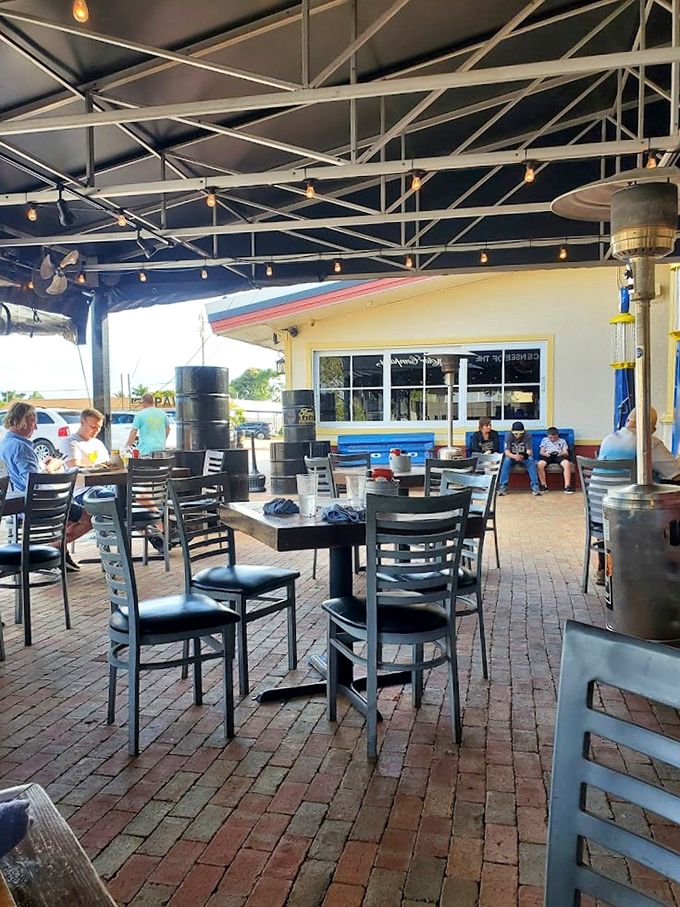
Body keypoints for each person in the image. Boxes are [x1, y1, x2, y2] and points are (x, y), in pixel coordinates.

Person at [0, 401, 89, 571]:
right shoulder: (20, 447)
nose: (35, 428)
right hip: (39, 505)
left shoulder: (5, 443)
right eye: (33, 423)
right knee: (88, 516)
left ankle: (60, 553)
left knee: (72, 516)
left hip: (18, 504)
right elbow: (34, 482)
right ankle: (53, 549)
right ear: (23, 422)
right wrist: (52, 467)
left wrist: (43, 464)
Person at [599, 406, 680, 481]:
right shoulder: (649, 443)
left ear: (627, 421)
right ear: (653, 430)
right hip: (630, 496)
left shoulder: (608, 439)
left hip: (597, 494)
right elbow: (676, 474)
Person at [498, 420, 541, 496]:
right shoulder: (508, 435)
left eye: (521, 433)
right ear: (512, 431)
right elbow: (507, 452)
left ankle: (535, 486)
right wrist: (515, 456)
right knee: (506, 460)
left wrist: (523, 456)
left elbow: (529, 451)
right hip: (512, 456)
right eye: (516, 433)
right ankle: (502, 486)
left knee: (531, 460)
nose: (518, 435)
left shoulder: (527, 435)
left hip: (523, 456)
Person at [537, 427, 573, 493]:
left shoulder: (562, 441)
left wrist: (561, 453)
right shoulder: (545, 440)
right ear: (548, 436)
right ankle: (543, 485)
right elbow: (541, 452)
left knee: (567, 463)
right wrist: (546, 454)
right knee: (540, 464)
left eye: (555, 438)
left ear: (558, 436)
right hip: (548, 455)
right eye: (551, 438)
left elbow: (566, 453)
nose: (553, 439)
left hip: (558, 455)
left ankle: (567, 485)